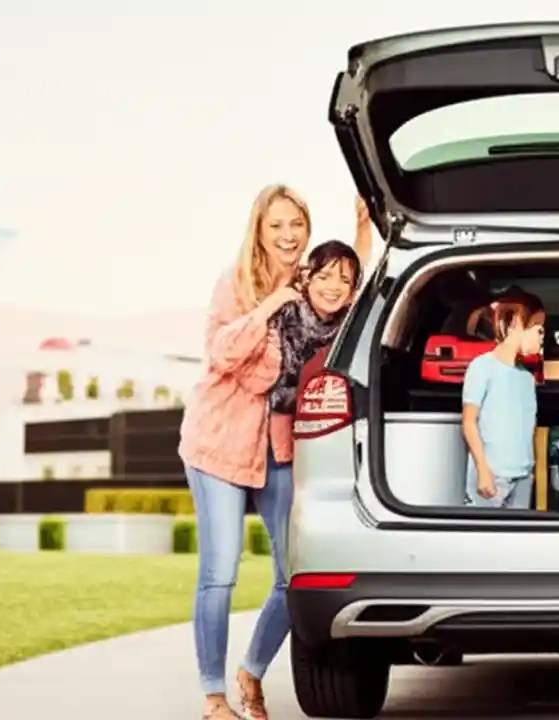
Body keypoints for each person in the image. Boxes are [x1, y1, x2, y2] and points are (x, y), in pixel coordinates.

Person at [177, 185, 372, 720]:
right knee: (220, 569)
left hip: (278, 447)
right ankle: (215, 697)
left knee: (294, 574)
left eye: (297, 226)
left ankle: (251, 672)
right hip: (219, 440)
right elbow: (224, 355)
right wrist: (269, 303)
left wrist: (362, 232)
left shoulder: (313, 287)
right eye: (276, 226)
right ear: (259, 230)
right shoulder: (237, 282)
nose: (288, 235)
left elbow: (346, 293)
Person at [267, 240, 363, 465]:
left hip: (315, 434)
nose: (334, 287)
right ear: (307, 281)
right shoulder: (287, 316)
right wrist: (283, 451)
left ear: (351, 293)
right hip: (268, 434)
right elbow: (282, 387)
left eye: (344, 280)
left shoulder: (349, 328)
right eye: (324, 277)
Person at [461, 292, 546, 509]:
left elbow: (528, 428)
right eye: (539, 330)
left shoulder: (527, 379)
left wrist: (532, 472)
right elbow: (470, 422)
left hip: (523, 476)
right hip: (491, 475)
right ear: (516, 323)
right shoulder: (482, 367)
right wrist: (482, 470)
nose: (542, 337)